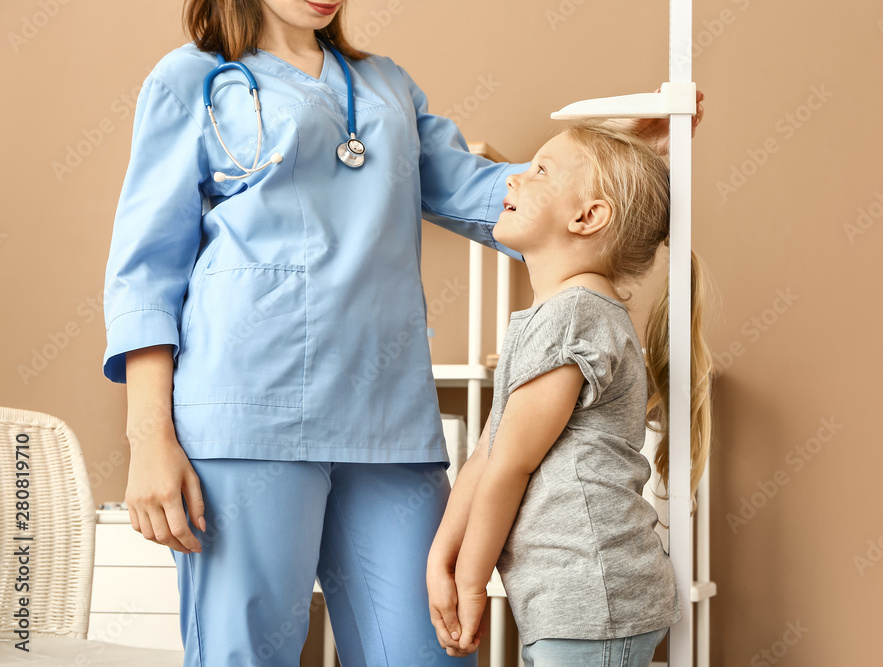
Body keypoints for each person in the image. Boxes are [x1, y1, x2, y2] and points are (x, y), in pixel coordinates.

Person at [103, 0, 704, 663]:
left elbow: (493, 194)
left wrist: (623, 157)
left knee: (431, 647)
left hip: (387, 420)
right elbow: (145, 270)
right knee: (246, 652)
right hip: (250, 410)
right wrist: (148, 436)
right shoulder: (189, 79)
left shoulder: (385, 86)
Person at [426, 122, 715, 665]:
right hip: (574, 601)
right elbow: (488, 452)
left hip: (592, 597)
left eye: (539, 170)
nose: (513, 180)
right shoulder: (552, 317)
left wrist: (469, 582)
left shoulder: (575, 315)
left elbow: (510, 466)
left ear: (587, 217)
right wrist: (442, 558)